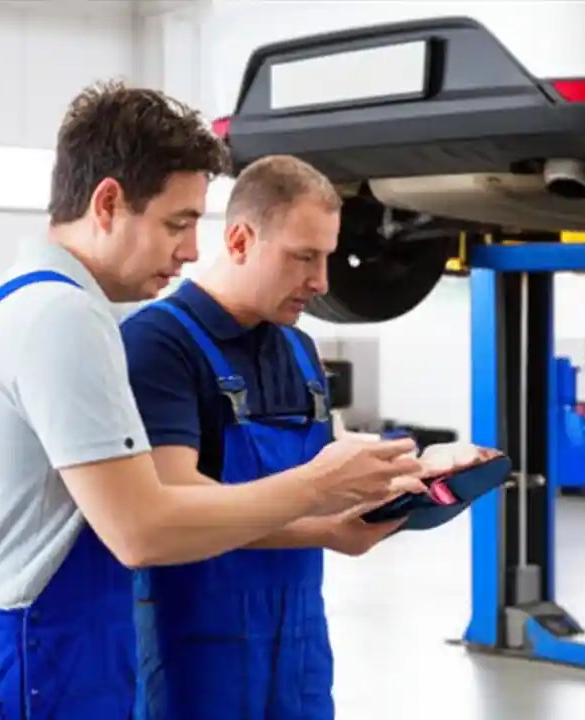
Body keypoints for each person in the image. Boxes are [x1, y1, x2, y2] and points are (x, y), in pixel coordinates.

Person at [0, 82, 425, 720]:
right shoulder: (64, 318)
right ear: (107, 202)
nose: (189, 250)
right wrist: (317, 489)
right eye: (177, 224)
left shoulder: (16, 302)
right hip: (40, 671)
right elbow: (142, 530)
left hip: (25, 662)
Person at [120, 155, 426, 720]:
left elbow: (320, 465)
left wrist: (403, 478)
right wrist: (325, 530)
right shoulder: (157, 345)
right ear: (239, 240)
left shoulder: (298, 348)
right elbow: (174, 503)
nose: (322, 282)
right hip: (195, 650)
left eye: (327, 257)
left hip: (299, 645)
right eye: (303, 257)